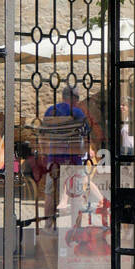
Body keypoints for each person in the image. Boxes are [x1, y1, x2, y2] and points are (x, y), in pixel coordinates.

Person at [38, 84, 90, 230]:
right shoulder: (78, 113)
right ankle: (76, 227)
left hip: (54, 160)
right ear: (75, 99)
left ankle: (48, 225)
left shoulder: (50, 111)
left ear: (63, 97)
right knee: (76, 195)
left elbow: (42, 136)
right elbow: (87, 137)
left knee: (50, 193)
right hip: (73, 160)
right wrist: (83, 152)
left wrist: (44, 154)